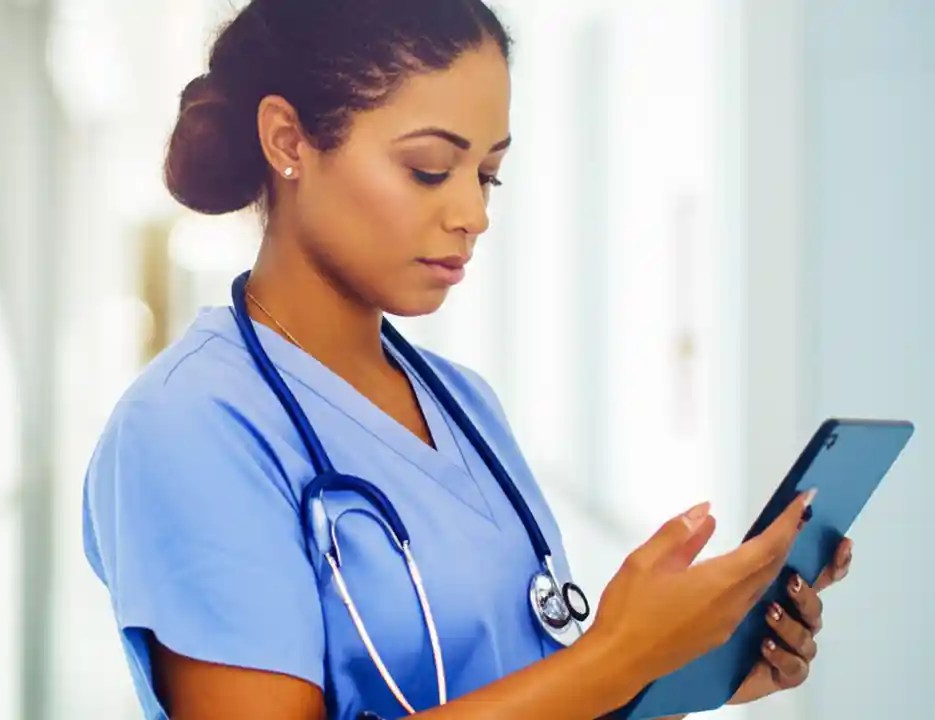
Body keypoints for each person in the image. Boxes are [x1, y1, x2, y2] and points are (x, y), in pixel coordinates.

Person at [80, 1, 856, 718]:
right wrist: (619, 657)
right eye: (428, 169)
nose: (474, 214)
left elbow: (525, 689)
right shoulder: (191, 426)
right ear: (288, 140)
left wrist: (680, 668)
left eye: (488, 174)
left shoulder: (461, 404)